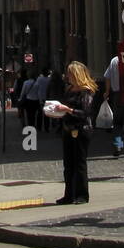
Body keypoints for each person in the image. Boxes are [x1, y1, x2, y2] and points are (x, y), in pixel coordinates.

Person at [52, 62, 98, 205]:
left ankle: (82, 195)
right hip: (67, 129)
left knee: (79, 163)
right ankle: (69, 195)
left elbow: (85, 113)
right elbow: (66, 107)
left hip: (81, 130)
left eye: (70, 74)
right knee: (68, 164)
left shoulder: (86, 91)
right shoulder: (70, 90)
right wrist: (57, 111)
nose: (67, 76)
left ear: (77, 74)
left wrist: (68, 110)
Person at [101, 54, 124, 157]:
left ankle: (118, 146)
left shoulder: (114, 60)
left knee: (118, 124)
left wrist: (107, 91)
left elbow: (107, 76)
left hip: (117, 95)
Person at [17, 69, 40, 133]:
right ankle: (33, 125)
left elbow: (23, 92)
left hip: (29, 100)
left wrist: (20, 99)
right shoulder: (37, 83)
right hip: (36, 100)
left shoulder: (26, 82)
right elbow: (39, 93)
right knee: (34, 114)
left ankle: (30, 127)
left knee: (29, 115)